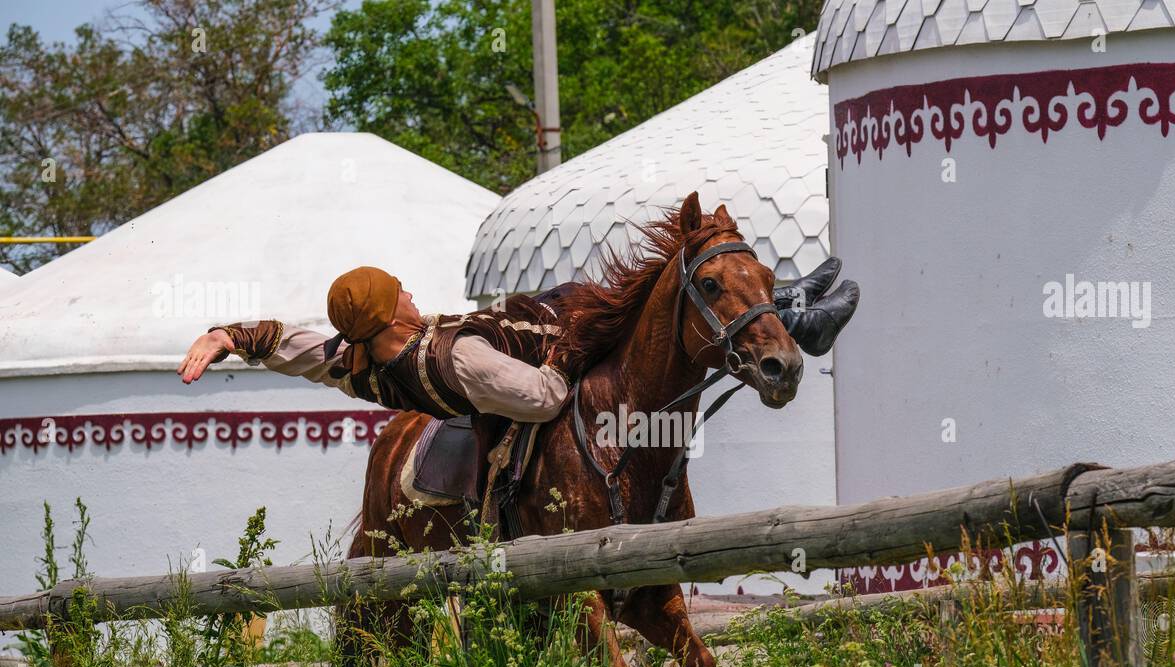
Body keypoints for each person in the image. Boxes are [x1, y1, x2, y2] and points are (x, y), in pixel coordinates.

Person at [177, 260, 858, 422]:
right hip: (544, 347)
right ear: (390, 317)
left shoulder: (352, 359)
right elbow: (539, 399)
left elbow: (290, 345)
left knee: (639, 291)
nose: (413, 294)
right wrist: (570, 350)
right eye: (401, 294)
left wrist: (227, 336)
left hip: (527, 325)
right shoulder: (457, 357)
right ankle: (796, 320)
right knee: (642, 305)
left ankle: (790, 302)